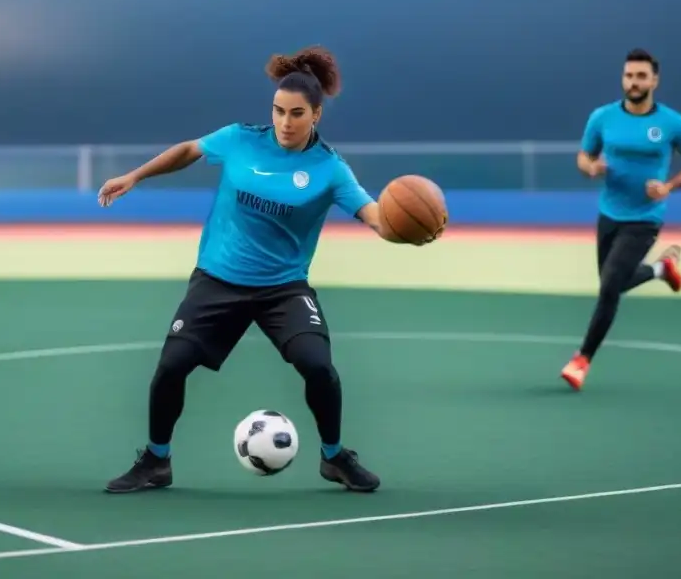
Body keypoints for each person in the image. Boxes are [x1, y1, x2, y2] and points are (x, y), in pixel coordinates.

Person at [98, 46, 434, 495]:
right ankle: (157, 461)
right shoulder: (240, 139)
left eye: (297, 114)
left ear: (316, 115)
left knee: (319, 368)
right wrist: (134, 176)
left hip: (283, 289)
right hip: (218, 280)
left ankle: (334, 457)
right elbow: (188, 151)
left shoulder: (329, 169)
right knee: (171, 366)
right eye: (278, 111)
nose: (285, 122)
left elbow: (377, 218)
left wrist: (409, 230)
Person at [562, 48, 681, 390]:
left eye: (641, 76)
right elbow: (583, 156)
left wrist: (668, 186)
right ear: (622, 79)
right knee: (613, 283)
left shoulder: (673, 123)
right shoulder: (602, 117)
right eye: (629, 75)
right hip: (609, 214)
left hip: (645, 217)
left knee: (611, 285)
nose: (634, 82)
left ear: (654, 80)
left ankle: (581, 360)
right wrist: (591, 168)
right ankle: (662, 269)